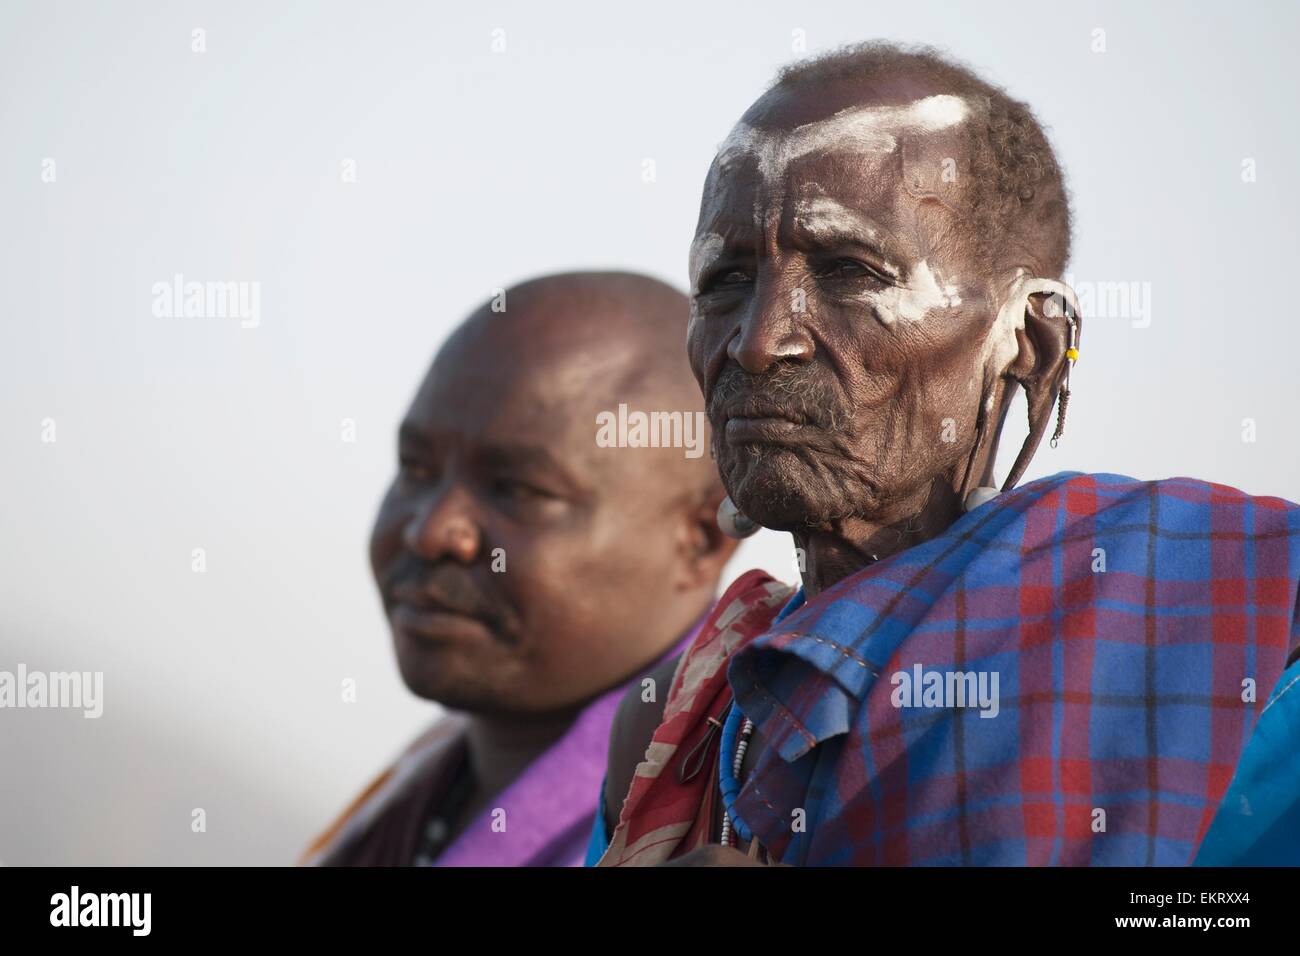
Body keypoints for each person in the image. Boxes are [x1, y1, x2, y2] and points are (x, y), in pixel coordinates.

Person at [596, 43, 1300, 867]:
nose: (759, 343)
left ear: (1031, 345)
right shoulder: (684, 718)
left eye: (850, 271)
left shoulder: (1224, 622)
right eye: (725, 281)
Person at [304, 271, 737, 866]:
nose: (431, 531)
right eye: (416, 468)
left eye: (515, 489)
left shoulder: (735, 823)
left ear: (698, 542)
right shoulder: (419, 793)